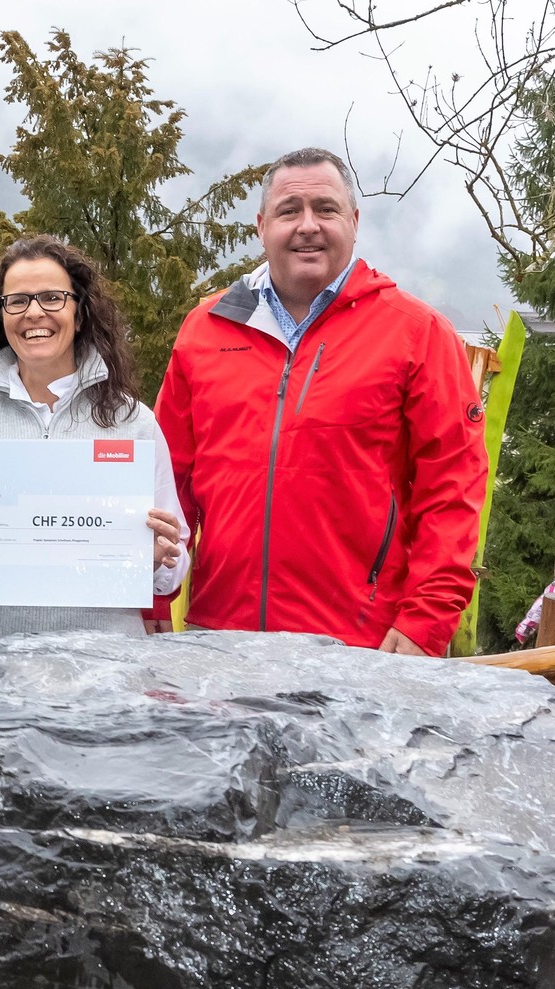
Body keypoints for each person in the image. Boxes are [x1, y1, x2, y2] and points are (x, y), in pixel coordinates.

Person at [158, 147, 488, 656]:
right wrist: (153, 598)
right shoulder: (205, 330)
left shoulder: (416, 333)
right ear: (262, 226)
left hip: (364, 644)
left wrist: (426, 621)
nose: (308, 225)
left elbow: (452, 487)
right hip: (219, 637)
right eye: (289, 211)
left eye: (326, 209)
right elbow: (167, 482)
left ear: (354, 221)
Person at [0, 235, 187, 636]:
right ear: (1, 317)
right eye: (17, 301)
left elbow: (172, 569)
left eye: (52, 298)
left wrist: (157, 557)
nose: (34, 313)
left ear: (80, 314)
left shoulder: (135, 423)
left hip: (103, 663)